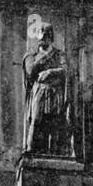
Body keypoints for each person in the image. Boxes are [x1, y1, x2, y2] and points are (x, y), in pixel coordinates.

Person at [22, 25, 68, 154]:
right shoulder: (32, 54)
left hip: (54, 91)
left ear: (50, 38)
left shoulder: (59, 54)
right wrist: (43, 57)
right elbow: (30, 70)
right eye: (41, 38)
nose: (43, 40)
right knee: (36, 119)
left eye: (46, 37)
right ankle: (31, 148)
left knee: (54, 121)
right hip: (40, 90)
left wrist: (50, 72)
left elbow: (65, 70)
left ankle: (55, 151)